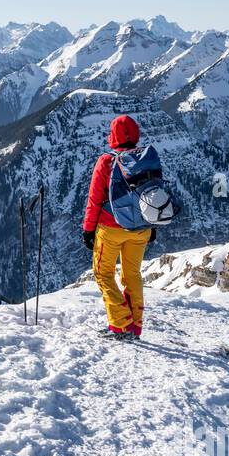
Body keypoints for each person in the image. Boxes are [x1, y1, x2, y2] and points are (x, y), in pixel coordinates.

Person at [81, 114, 161, 339]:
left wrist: (88, 230)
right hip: (142, 228)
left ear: (112, 136)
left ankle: (120, 324)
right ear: (135, 134)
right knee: (132, 274)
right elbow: (153, 193)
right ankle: (135, 326)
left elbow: (95, 199)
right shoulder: (147, 157)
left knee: (103, 273)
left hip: (111, 228)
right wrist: (152, 223)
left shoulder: (107, 161)